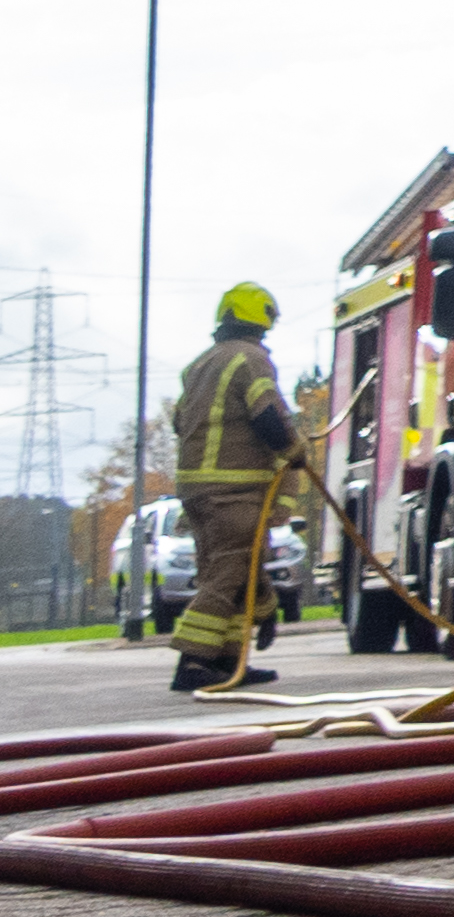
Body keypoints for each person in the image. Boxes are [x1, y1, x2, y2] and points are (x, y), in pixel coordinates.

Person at [162, 283, 305, 692]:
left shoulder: (199, 365)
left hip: (196, 490)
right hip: (234, 490)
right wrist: (294, 450)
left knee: (230, 571)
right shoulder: (252, 360)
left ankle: (226, 660)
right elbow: (267, 417)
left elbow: (179, 423)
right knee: (229, 572)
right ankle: (192, 661)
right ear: (263, 320)